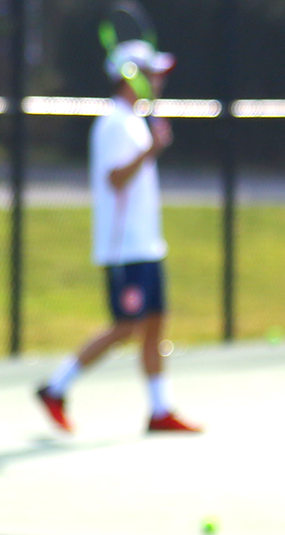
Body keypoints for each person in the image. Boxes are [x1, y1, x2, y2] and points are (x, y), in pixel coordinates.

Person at [34, 37, 200, 435]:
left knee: (155, 323)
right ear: (132, 76)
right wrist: (152, 150)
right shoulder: (113, 124)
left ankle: (160, 410)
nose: (159, 81)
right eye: (152, 74)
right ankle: (56, 388)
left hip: (147, 244)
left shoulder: (133, 121)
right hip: (124, 249)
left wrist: (151, 146)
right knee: (126, 326)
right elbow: (115, 179)